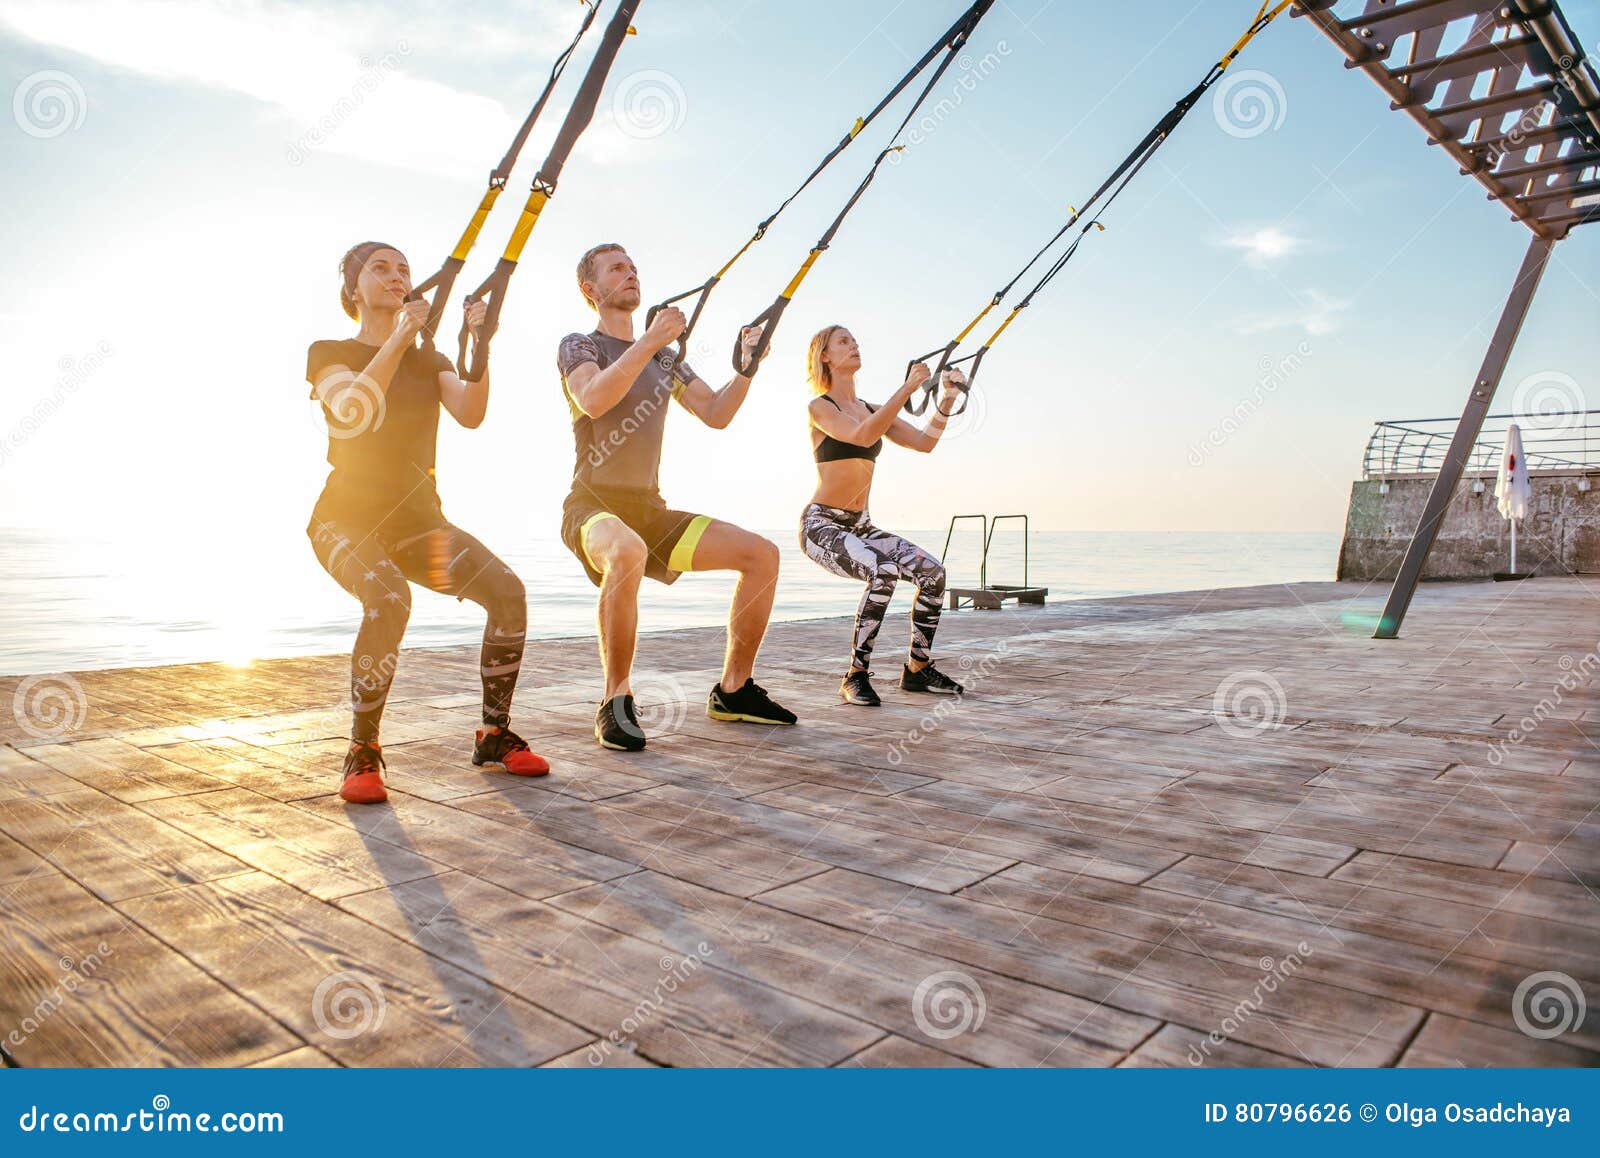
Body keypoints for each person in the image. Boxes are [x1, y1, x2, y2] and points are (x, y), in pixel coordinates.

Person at [305, 241, 548, 803]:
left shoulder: (429, 359)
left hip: (419, 522)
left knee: (507, 592)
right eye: (380, 268)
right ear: (352, 288)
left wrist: (479, 344)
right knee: (389, 597)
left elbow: (471, 413)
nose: (396, 276)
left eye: (403, 269)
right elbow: (353, 409)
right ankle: (363, 750)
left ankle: (493, 734)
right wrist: (400, 336)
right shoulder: (328, 352)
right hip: (344, 521)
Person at [557, 243, 797, 750]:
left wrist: (746, 369)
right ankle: (615, 700)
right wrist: (650, 341)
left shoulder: (666, 358)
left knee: (762, 555)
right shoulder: (580, 345)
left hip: (649, 508)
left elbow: (716, 412)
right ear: (590, 289)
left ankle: (734, 690)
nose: (630, 273)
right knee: (626, 550)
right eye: (616, 268)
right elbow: (593, 398)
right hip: (591, 505)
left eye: (632, 267)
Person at [798, 324, 968, 706]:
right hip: (821, 524)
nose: (854, 345)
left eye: (855, 340)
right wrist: (907, 389)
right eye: (843, 341)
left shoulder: (873, 409)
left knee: (933, 574)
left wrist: (947, 399)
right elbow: (860, 435)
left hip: (861, 527)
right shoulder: (820, 407)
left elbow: (924, 442)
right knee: (884, 571)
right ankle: (855, 675)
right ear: (824, 356)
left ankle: (918, 670)